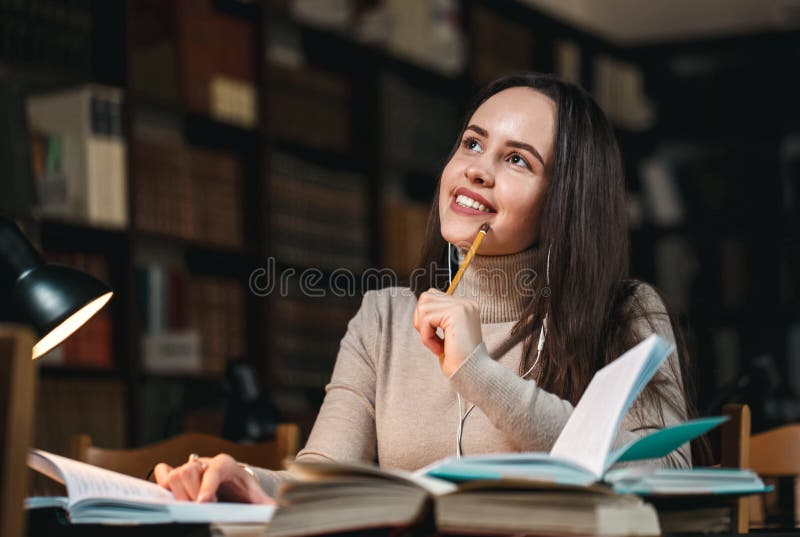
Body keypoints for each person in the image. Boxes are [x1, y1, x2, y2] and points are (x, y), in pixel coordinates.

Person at [153, 72, 705, 504]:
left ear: (566, 200)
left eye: (517, 159)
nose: (478, 170)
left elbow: (662, 471)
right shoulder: (384, 318)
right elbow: (323, 476)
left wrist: (480, 374)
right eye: (472, 144)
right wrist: (244, 479)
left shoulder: (626, 311)